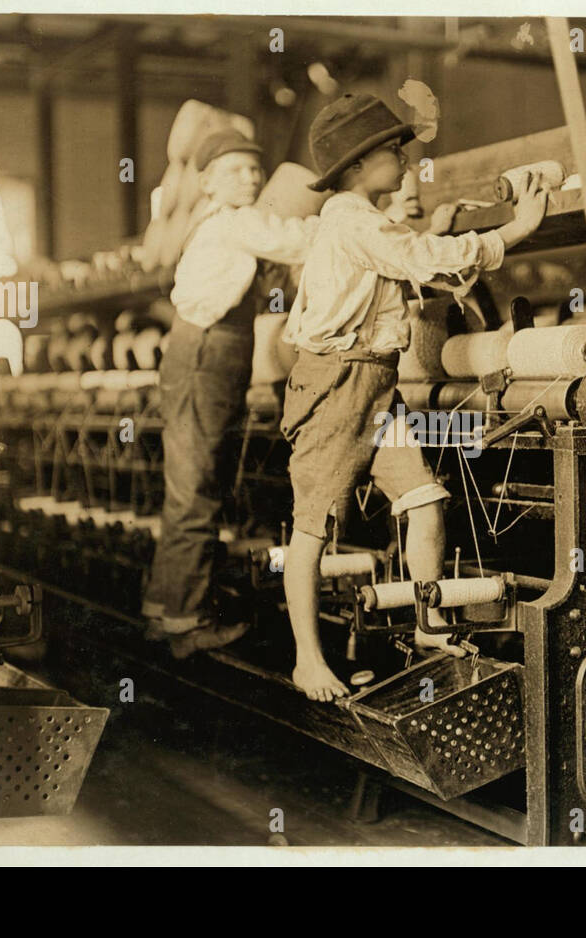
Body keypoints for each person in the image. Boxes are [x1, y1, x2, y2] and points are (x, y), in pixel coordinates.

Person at [281, 93, 548, 700]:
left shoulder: (366, 221)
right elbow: (424, 258)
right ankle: (306, 660)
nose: (406, 160)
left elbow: (425, 259)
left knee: (424, 499)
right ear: (355, 166)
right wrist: (515, 230)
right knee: (313, 529)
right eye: (392, 150)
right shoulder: (352, 219)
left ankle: (428, 622)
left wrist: (459, 231)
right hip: (336, 384)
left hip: (376, 382)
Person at [143, 128, 319, 659]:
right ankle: (188, 624)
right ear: (206, 182)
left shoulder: (214, 223)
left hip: (201, 353)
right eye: (235, 170)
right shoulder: (236, 222)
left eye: (254, 169)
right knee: (197, 489)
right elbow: (301, 239)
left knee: (191, 488)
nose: (250, 177)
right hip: (208, 357)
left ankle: (167, 607)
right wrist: (354, 219)